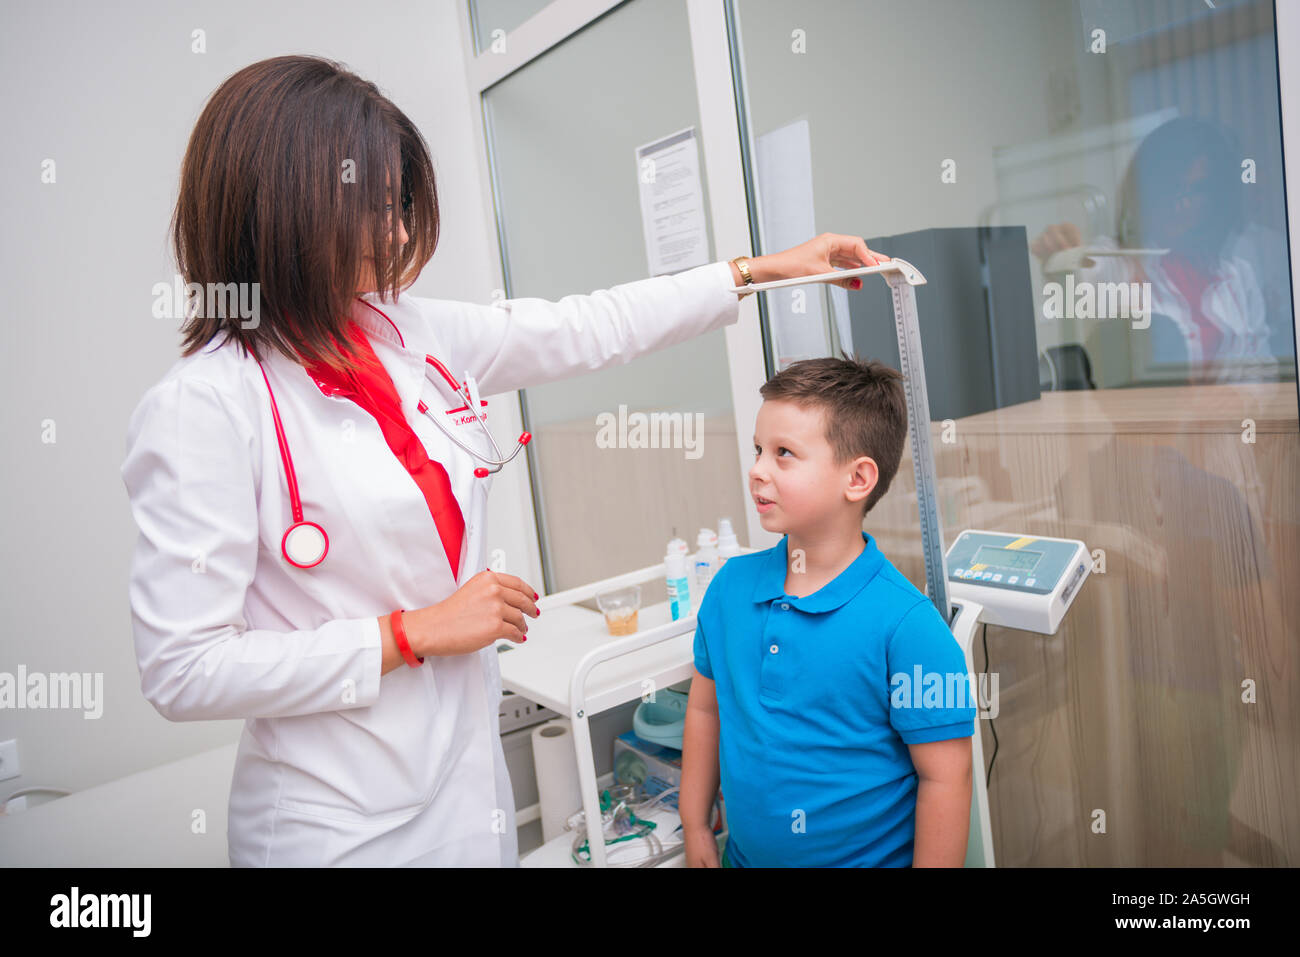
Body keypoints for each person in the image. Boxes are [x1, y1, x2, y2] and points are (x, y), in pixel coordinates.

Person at [119, 52, 889, 867]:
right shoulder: (205, 406)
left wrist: (756, 271)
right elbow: (182, 667)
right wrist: (410, 632)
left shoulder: (407, 332)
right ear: (285, 210)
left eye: (399, 205)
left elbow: (586, 326)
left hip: (465, 785)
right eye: (375, 208)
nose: (401, 232)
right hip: (334, 821)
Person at [680, 356, 975, 867]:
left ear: (857, 478)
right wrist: (694, 824)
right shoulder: (729, 590)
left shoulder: (907, 627)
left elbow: (946, 778)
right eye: (758, 450)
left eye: (784, 453)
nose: (757, 470)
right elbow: (706, 709)